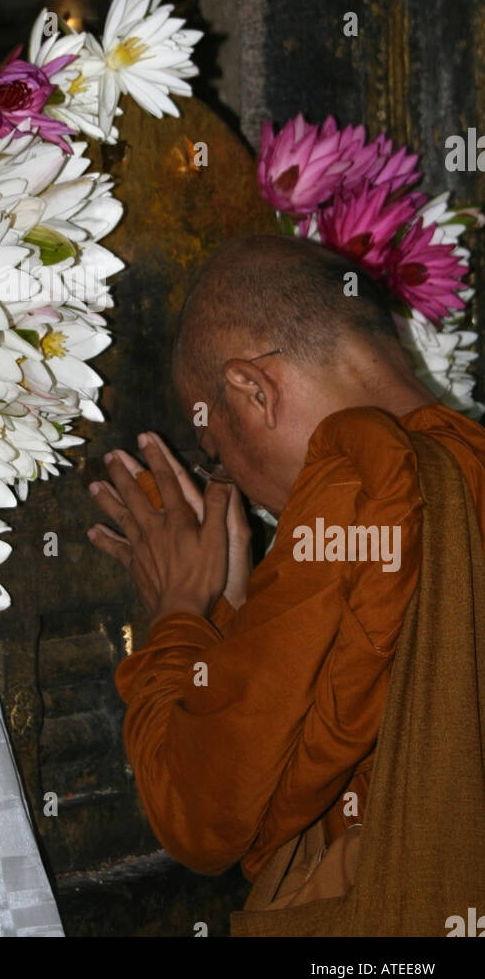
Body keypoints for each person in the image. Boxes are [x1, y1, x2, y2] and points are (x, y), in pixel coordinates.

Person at [87, 232, 485, 927]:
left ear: (252, 390)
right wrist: (240, 621)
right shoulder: (461, 472)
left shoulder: (363, 472)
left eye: (216, 448)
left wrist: (178, 614)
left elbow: (204, 815)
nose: (236, 484)